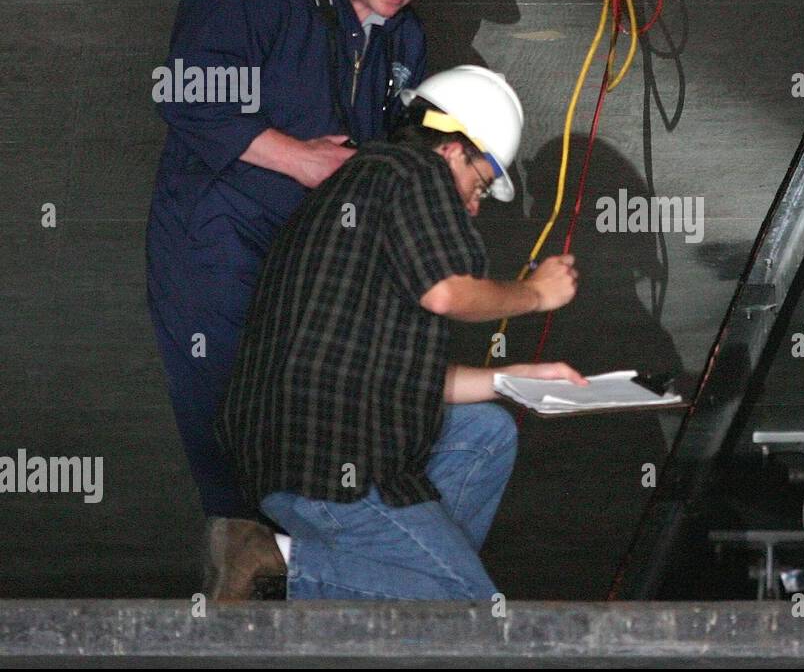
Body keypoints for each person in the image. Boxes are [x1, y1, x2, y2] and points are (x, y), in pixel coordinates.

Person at [146, 0, 468, 597]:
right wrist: (301, 160)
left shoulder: (402, 37)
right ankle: (241, 588)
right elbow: (186, 97)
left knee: (315, 441)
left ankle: (309, 593)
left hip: (315, 267)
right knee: (236, 434)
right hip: (218, 247)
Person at [216, 66, 584, 600]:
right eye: (479, 184)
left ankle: (402, 593)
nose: (475, 206)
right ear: (454, 149)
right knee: (473, 609)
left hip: (289, 439)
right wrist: (536, 294)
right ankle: (276, 565)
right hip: (333, 450)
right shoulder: (417, 170)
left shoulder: (357, 189)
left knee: (487, 431)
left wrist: (511, 377)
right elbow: (448, 293)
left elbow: (397, 374)